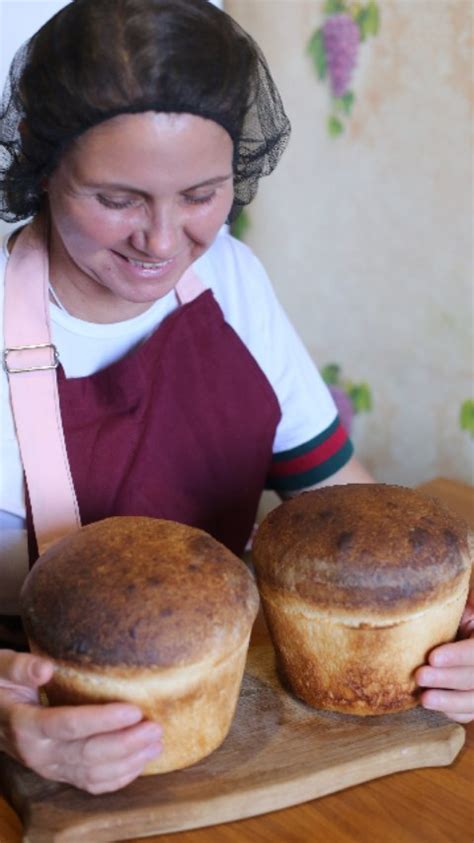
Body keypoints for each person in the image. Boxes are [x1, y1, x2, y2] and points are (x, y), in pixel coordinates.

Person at [0, 0, 471, 796]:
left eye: (201, 194)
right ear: (44, 163)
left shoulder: (231, 282)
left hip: (238, 726)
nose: (161, 241)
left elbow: (342, 508)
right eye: (116, 198)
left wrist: (447, 622)